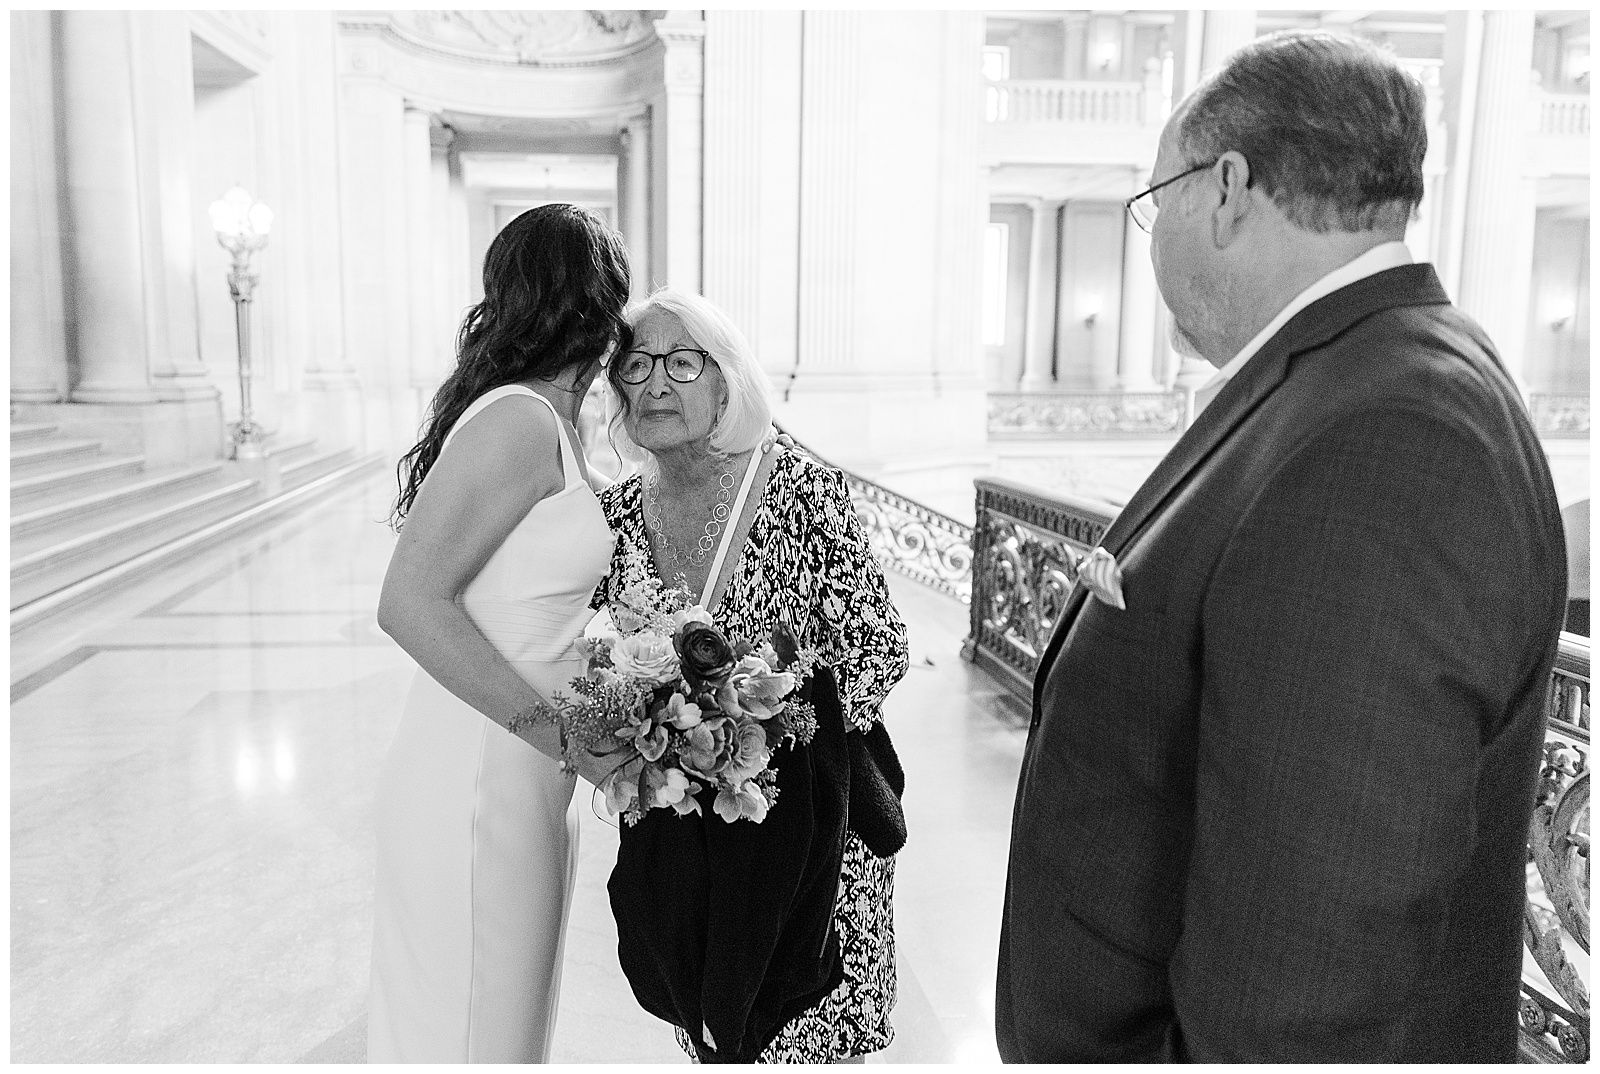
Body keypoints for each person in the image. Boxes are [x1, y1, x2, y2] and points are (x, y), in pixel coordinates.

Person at [996, 30, 1568, 1063]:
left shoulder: (1392, 436)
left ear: (1225, 191)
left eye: (1154, 204)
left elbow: (1309, 978)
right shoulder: (1353, 371)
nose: (1152, 243)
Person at [595, 288, 909, 1063]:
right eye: (635, 365)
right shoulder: (618, 516)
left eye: (681, 362)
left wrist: (760, 725)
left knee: (803, 1033)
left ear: (726, 379)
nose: (655, 383)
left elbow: (878, 647)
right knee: (713, 1028)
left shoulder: (800, 490)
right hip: (688, 845)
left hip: (806, 841)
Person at [367, 203, 633, 1062]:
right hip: (476, 776)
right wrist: (565, 739)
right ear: (599, 302)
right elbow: (409, 602)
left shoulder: (557, 422)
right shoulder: (518, 420)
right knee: (468, 1033)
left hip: (528, 774)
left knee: (505, 1032)